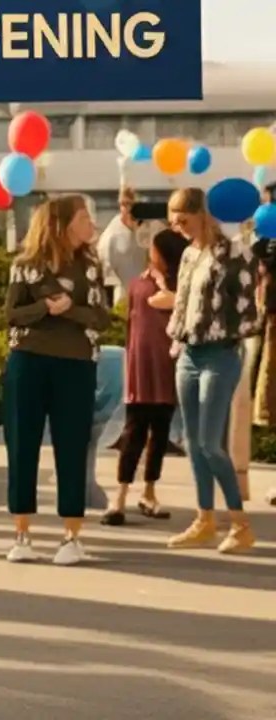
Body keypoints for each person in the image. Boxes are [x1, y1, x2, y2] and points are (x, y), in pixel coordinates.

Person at [2, 195, 107, 565]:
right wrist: (45, 307)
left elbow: (100, 317)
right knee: (22, 445)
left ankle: (71, 536)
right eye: (83, 217)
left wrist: (71, 311)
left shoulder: (91, 266)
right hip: (28, 362)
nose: (90, 223)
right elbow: (12, 314)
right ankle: (22, 533)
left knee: (72, 446)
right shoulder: (26, 265)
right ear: (62, 224)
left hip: (76, 364)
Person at [164, 187, 260, 554]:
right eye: (173, 221)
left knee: (209, 444)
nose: (178, 228)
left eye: (182, 220)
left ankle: (240, 524)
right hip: (188, 354)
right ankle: (204, 519)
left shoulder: (236, 251)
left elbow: (249, 309)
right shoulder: (189, 254)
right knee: (193, 444)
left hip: (220, 355)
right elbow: (184, 301)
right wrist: (177, 337)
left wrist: (223, 332)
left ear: (202, 214)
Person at [103, 229, 188, 526]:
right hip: (141, 367)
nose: (149, 252)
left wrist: (169, 288)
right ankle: (121, 494)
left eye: (154, 249)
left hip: (167, 364)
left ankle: (149, 491)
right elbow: (133, 328)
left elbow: (171, 308)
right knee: (134, 431)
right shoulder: (139, 284)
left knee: (160, 432)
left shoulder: (182, 287)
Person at [97, 186, 146, 305]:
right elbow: (105, 268)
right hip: (122, 290)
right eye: (125, 204)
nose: (129, 209)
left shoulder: (146, 228)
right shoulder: (111, 236)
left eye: (133, 204)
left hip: (144, 289)